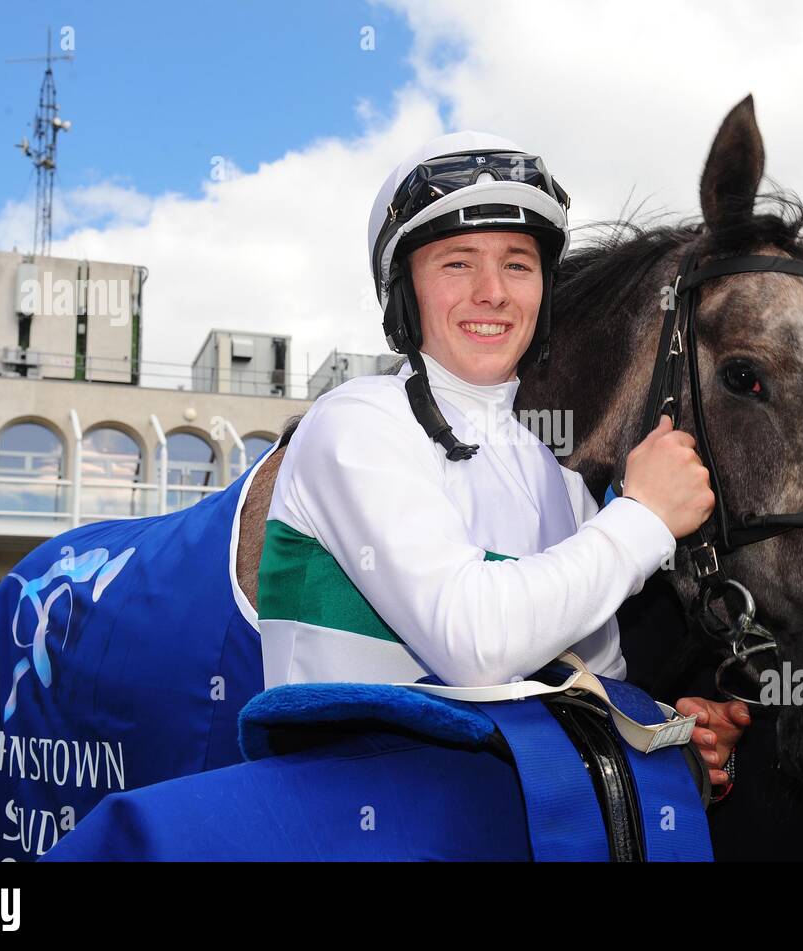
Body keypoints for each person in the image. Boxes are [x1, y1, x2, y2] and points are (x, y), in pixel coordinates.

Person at [256, 131, 743, 788]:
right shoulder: (352, 422)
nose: (493, 291)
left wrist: (676, 730)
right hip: (351, 818)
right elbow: (474, 644)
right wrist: (645, 517)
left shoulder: (561, 483)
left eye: (518, 264)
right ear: (405, 292)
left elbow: (589, 692)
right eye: (458, 263)